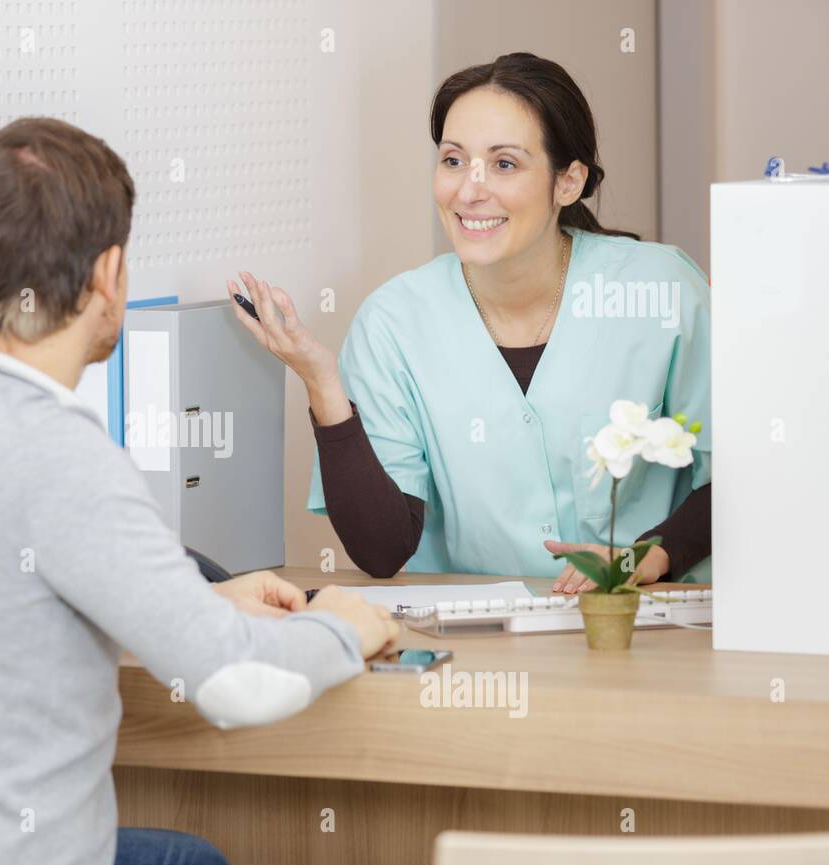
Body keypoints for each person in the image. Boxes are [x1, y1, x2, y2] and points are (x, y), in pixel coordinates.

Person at [0, 117, 399, 865]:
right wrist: (345, 626)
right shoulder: (62, 455)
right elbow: (240, 685)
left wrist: (193, 603)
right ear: (108, 275)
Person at [229, 52, 711, 592]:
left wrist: (648, 556)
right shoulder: (393, 322)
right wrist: (321, 381)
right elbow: (382, 549)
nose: (469, 190)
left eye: (504, 164)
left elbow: (739, 474)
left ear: (568, 182)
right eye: (454, 160)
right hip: (473, 649)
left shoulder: (660, 290)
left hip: (637, 628)